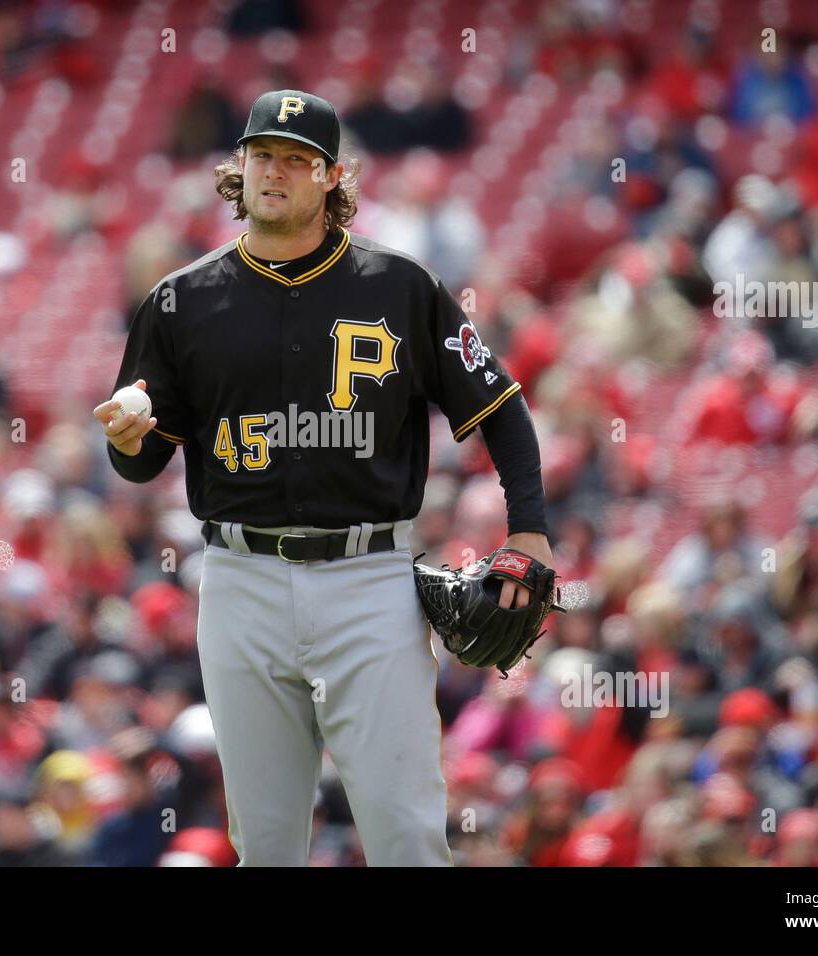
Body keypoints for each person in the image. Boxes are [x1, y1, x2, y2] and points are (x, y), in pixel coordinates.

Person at [96, 90, 552, 866]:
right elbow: (141, 465)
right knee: (266, 843)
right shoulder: (179, 300)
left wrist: (529, 530)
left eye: (297, 159)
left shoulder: (400, 285)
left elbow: (500, 409)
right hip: (239, 579)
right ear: (238, 168)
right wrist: (127, 439)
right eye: (262, 154)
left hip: (369, 578)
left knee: (406, 834)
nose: (275, 171)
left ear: (332, 176)